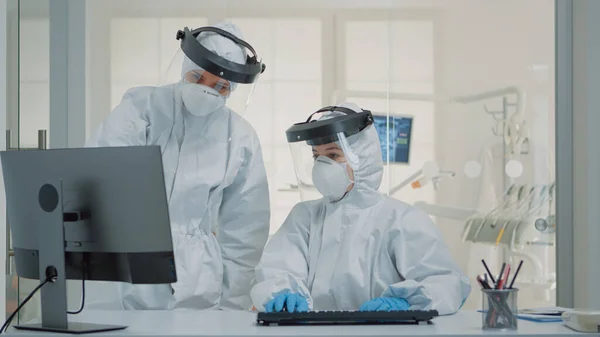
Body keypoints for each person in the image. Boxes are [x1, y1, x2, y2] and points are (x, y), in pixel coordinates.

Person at [86, 21, 270, 310]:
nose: (208, 90)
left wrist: (232, 306)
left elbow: (246, 231)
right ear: (185, 67)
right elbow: (101, 177)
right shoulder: (142, 108)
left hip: (199, 281)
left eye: (221, 86)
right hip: (129, 269)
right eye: (199, 77)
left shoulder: (240, 137)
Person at [250, 103, 470, 314]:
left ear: (362, 157)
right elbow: (277, 269)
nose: (322, 166)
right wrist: (282, 293)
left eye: (334, 155)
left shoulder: (402, 219)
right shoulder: (305, 217)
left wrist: (406, 301)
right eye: (317, 156)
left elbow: (446, 282)